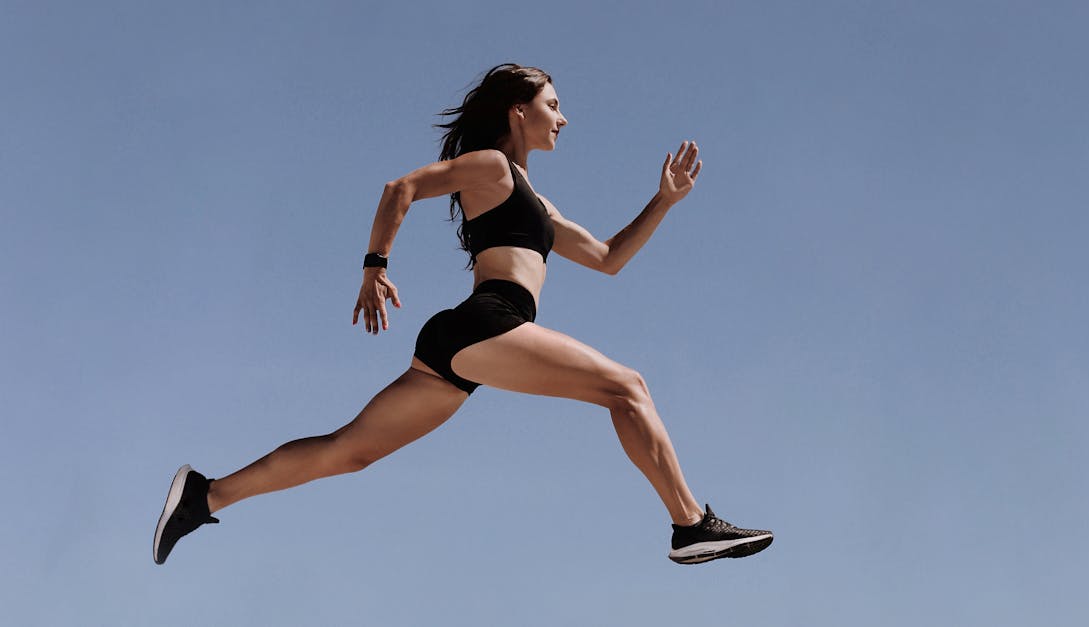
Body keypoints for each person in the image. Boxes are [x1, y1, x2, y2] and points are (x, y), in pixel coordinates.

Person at [153, 63, 772, 566]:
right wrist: (375, 265)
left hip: (466, 344)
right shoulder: (491, 165)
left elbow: (609, 258)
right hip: (490, 323)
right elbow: (401, 188)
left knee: (349, 452)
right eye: (552, 104)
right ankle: (690, 525)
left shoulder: (536, 200)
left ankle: (205, 494)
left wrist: (662, 202)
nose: (563, 117)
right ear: (517, 111)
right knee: (627, 387)